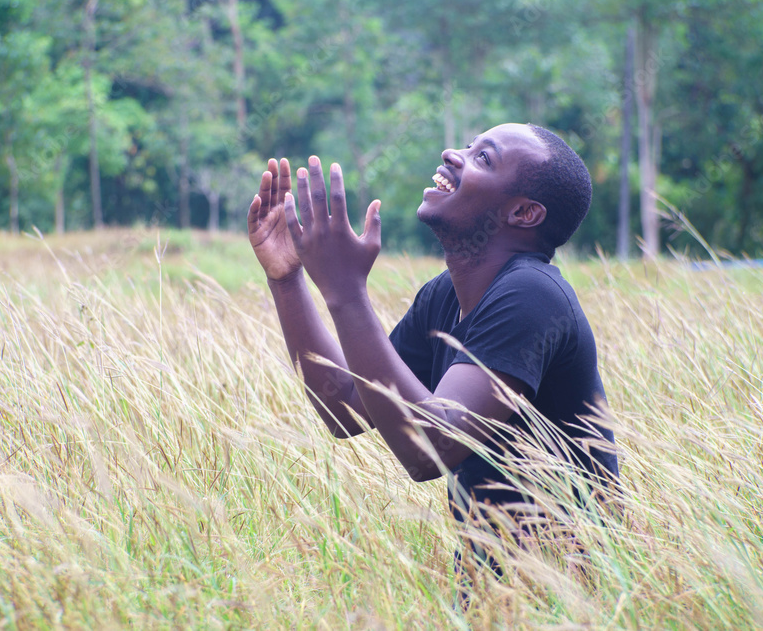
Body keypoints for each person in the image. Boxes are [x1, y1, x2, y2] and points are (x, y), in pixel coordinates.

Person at [246, 123, 619, 584]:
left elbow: (429, 451)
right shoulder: (446, 295)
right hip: (494, 593)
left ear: (523, 212)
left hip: (568, 594)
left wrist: (345, 290)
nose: (452, 153)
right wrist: (287, 279)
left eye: (484, 157)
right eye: (468, 144)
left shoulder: (532, 295)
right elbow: (343, 409)